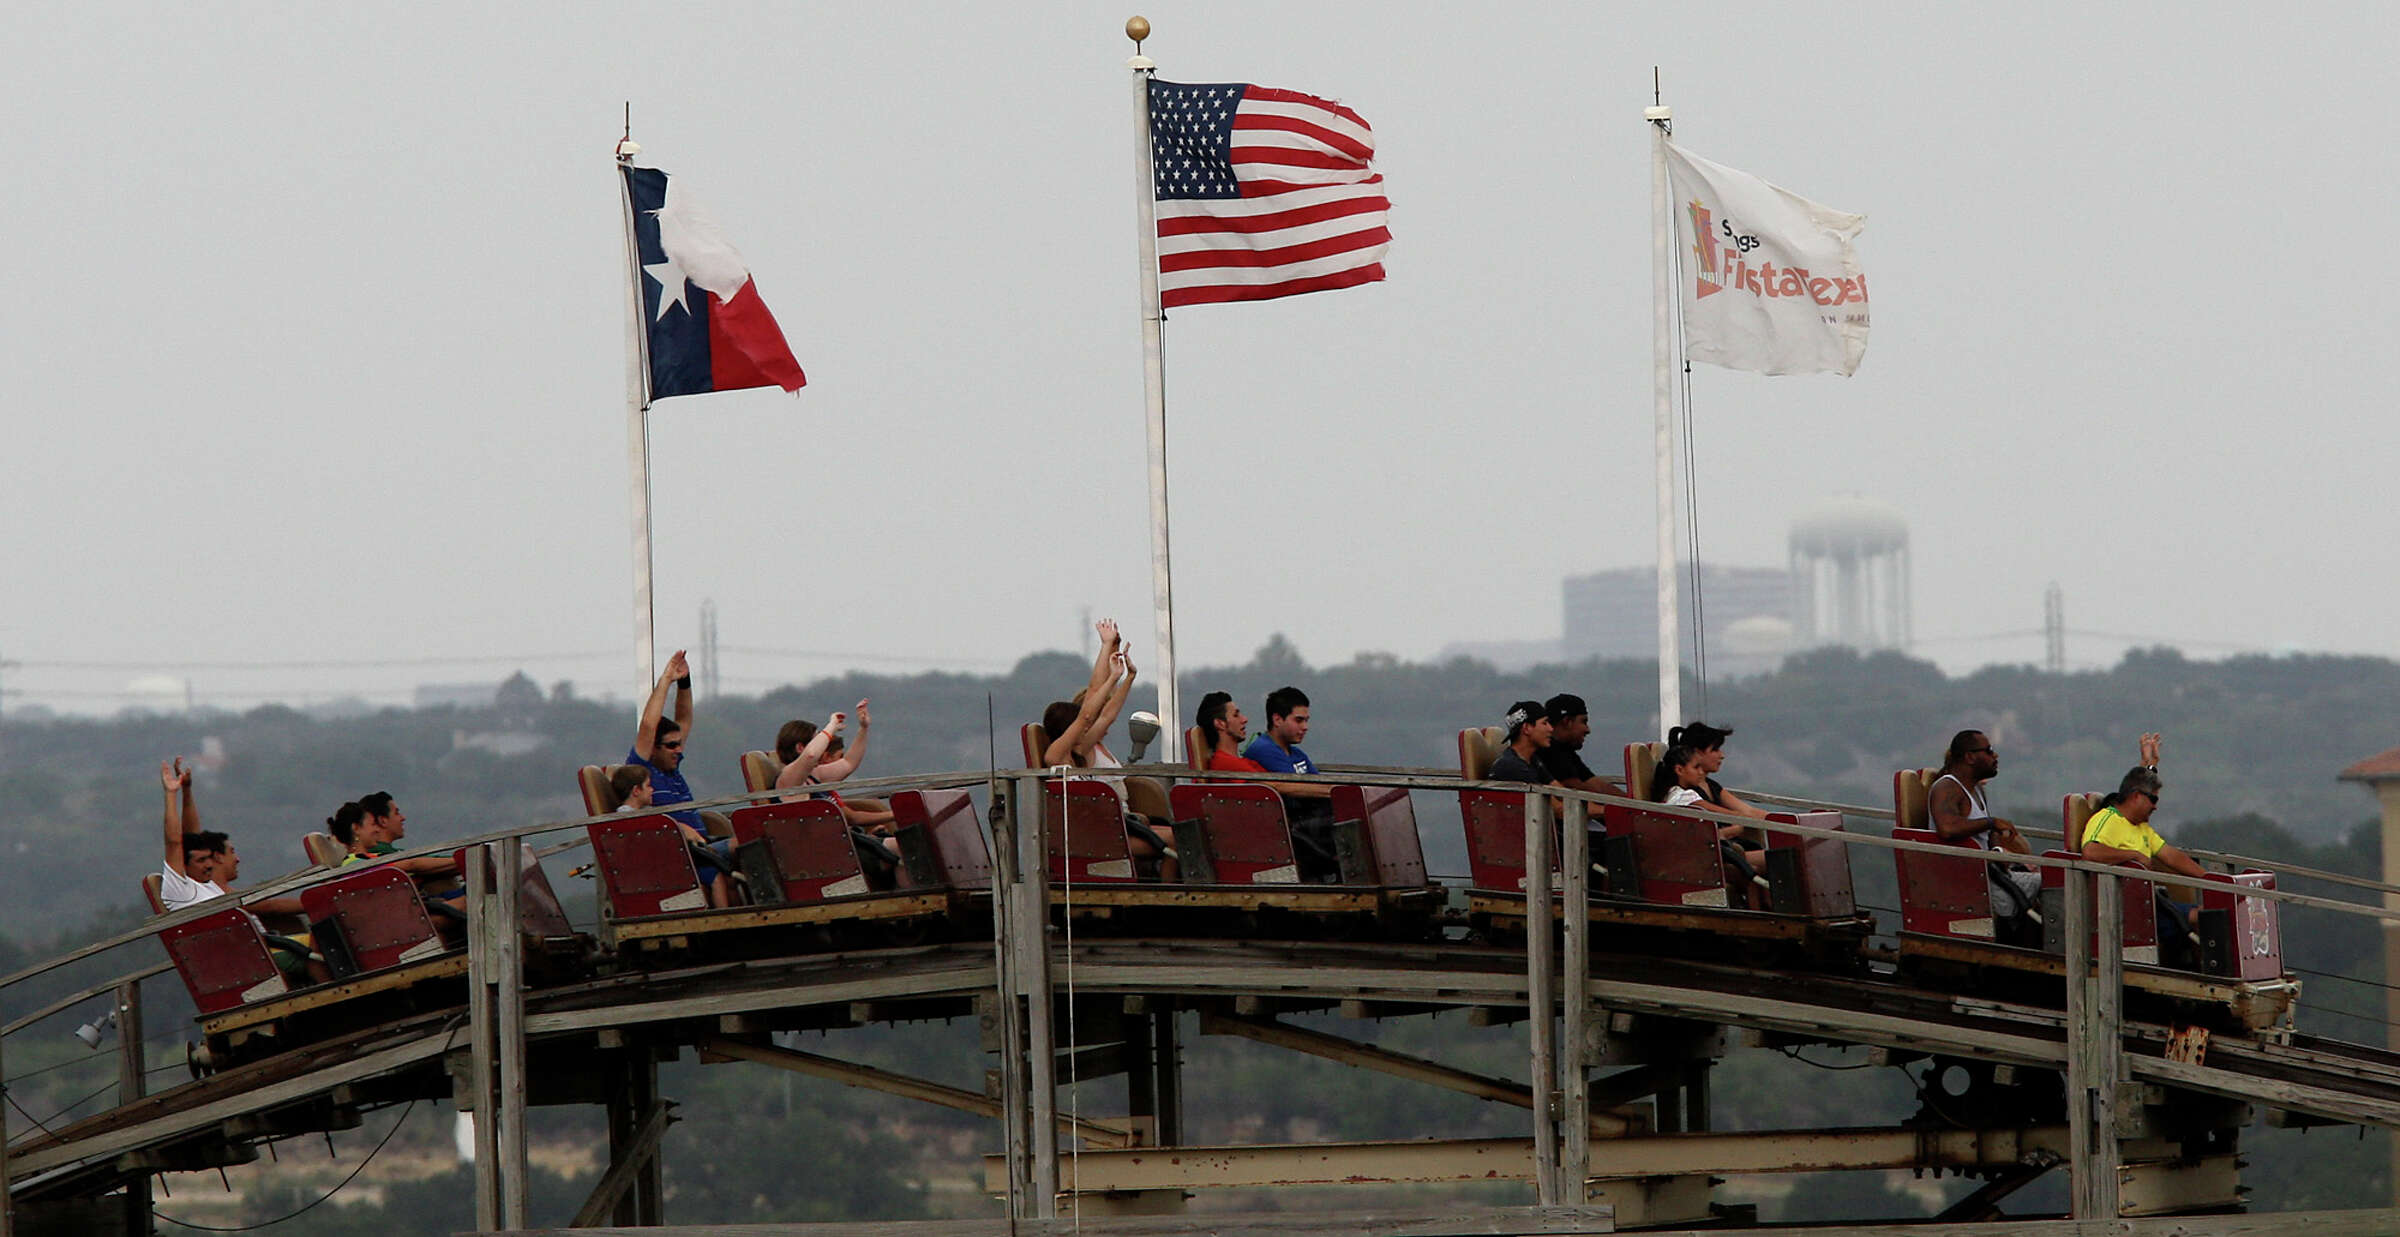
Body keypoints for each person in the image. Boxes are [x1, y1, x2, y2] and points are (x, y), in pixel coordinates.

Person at [154, 759, 329, 981]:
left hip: (259, 946)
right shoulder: (180, 890)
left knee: (324, 935)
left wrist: (187, 792)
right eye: (201, 860)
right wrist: (170, 794)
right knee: (325, 938)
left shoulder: (207, 887)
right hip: (247, 958)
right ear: (183, 865)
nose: (209, 865)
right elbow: (173, 842)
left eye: (209, 859)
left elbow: (191, 837)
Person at [1040, 619, 1176, 879]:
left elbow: (1105, 715)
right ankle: (1168, 898)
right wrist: (1113, 674)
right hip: (1091, 837)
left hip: (1107, 828)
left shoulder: (1079, 753)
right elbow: (1087, 715)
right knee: (1175, 842)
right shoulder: (1055, 756)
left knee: (1176, 837)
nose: (1086, 729)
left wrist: (1127, 677)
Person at [2078, 735, 2206, 959]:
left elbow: (2171, 856)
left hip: (2151, 903)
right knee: (2203, 918)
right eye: (2153, 801)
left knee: (2210, 914)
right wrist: (2133, 855)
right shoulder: (2107, 820)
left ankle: (2198, 965)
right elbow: (2090, 852)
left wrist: (2211, 880)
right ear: (2136, 797)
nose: (2156, 807)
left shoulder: (2142, 828)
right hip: (2126, 908)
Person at [1927, 730, 2040, 928]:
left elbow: (1988, 834)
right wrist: (1991, 822)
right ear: (1970, 757)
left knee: (2055, 881)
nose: (1994, 756)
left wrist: (1997, 852)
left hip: (1993, 875)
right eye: (1988, 751)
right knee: (2044, 891)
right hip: (1970, 881)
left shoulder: (1977, 790)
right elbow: (1947, 828)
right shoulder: (1946, 788)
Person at [1236, 686, 1339, 881]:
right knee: (1347, 823)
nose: (1305, 727)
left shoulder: (1296, 753)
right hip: (1289, 826)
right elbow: (1300, 788)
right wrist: (1337, 791)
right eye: (1298, 720)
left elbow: (1318, 784)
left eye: (1306, 720)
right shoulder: (1264, 749)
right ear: (1277, 719)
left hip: (1307, 819)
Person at [1651, 743, 1765, 900]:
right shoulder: (1685, 798)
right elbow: (1727, 817)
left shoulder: (1672, 795)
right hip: (1701, 862)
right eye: (1696, 767)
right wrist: (1740, 824)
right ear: (1679, 770)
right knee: (1776, 859)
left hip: (1702, 857)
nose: (1701, 772)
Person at [608, 765, 730, 907]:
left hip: (665, 864)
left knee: (713, 869)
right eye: (648, 786)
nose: (652, 790)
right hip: (659, 870)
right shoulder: (629, 819)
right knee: (715, 875)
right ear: (636, 791)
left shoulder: (641, 815)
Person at [1667, 723, 1772, 821]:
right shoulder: (1684, 793)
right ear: (1697, 753)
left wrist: (1777, 820)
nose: (1722, 755)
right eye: (1715, 750)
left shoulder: (1712, 786)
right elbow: (1738, 815)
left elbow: (1749, 811)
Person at [1195, 691, 1265, 773]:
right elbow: (1276, 785)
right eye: (1236, 715)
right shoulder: (1227, 764)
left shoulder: (1242, 762)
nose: (1245, 719)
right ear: (1220, 724)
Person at [1486, 701, 1554, 785]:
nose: (1551, 729)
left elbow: (1556, 790)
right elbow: (1552, 796)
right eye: (1544, 723)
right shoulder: (1511, 766)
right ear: (1526, 728)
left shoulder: (1532, 760)